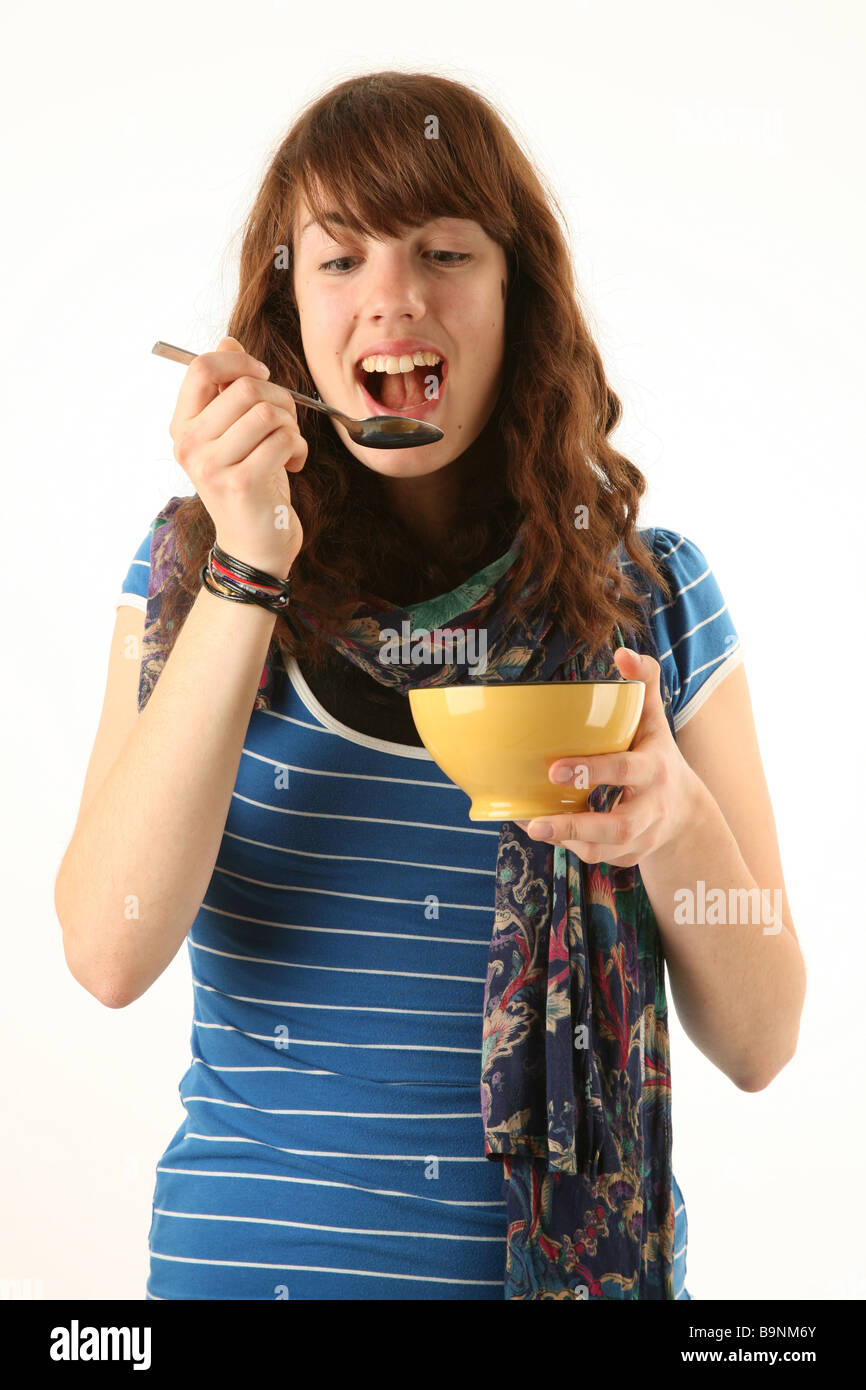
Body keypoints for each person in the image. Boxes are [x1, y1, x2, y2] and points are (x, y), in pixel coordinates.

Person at [54, 70, 806, 1301]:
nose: (392, 299)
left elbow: (764, 1037)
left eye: (444, 251)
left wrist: (674, 822)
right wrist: (252, 562)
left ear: (519, 296)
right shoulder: (192, 566)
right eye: (338, 260)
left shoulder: (653, 596)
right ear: (286, 310)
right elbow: (106, 951)